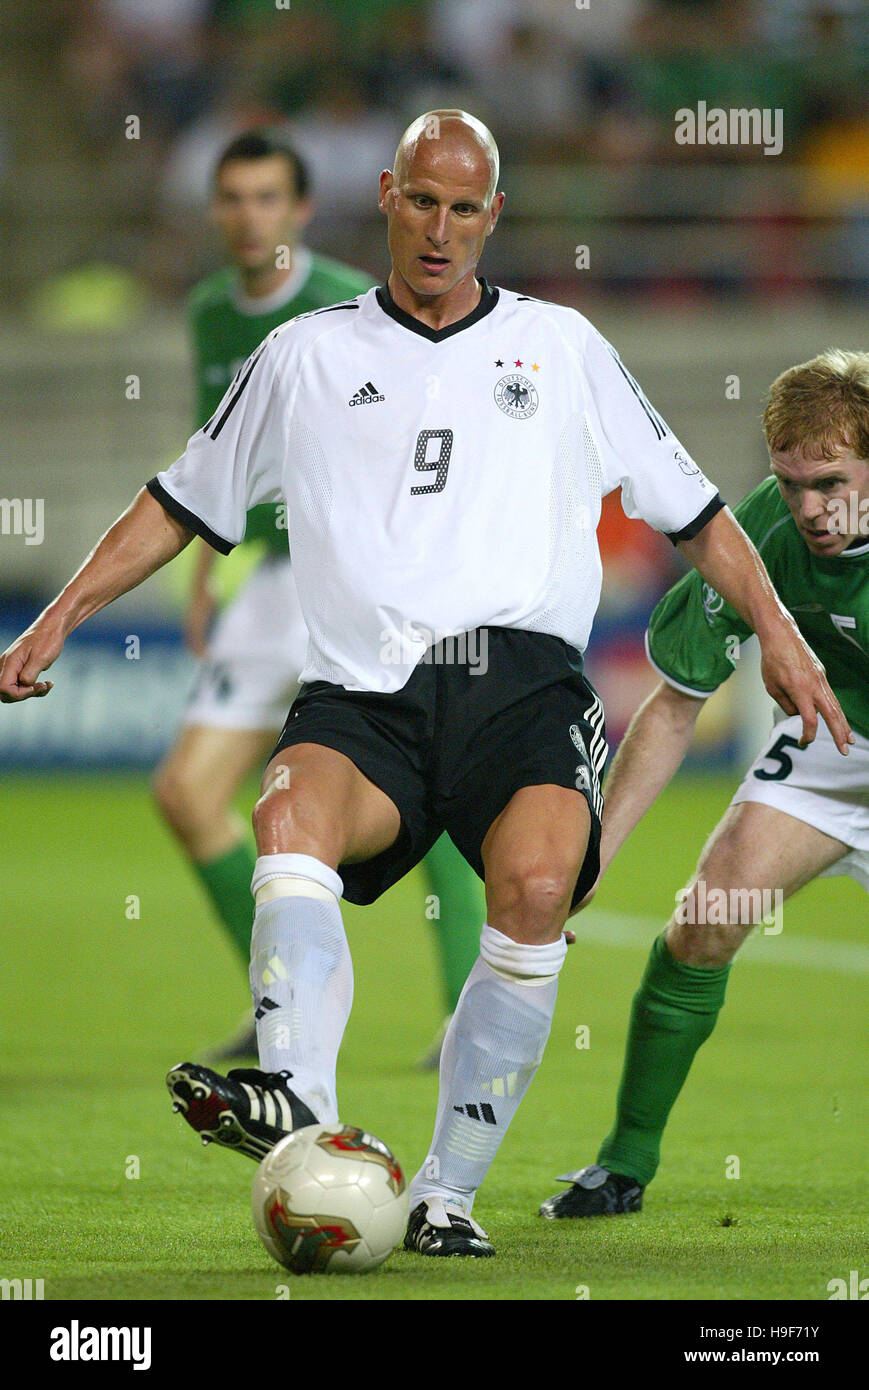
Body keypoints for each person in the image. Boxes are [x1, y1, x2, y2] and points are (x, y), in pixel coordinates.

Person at [0, 112, 852, 1260]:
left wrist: (781, 638)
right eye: (420, 202)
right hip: (363, 696)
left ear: (491, 215)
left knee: (540, 886)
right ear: (388, 196)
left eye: (465, 209)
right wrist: (61, 612)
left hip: (523, 692)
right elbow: (176, 499)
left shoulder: (562, 346)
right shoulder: (303, 355)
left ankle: (445, 1193)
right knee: (285, 817)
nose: (440, 229)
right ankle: (299, 1114)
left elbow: (695, 515)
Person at [153, 128, 483, 1062]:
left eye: (267, 198)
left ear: (299, 209)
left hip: (365, 575)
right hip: (268, 583)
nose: (248, 215)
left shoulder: (354, 305)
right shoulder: (212, 312)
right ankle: (279, 1007)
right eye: (233, 198)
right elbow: (207, 455)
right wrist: (206, 575)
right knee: (187, 793)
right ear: (216, 209)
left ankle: (465, 1008)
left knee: (440, 784)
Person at [539, 349, 869, 1220]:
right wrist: (590, 857)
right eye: (790, 483)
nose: (807, 508)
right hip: (833, 756)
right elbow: (675, 706)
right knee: (703, 923)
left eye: (829, 482)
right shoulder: (761, 529)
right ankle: (622, 1164)